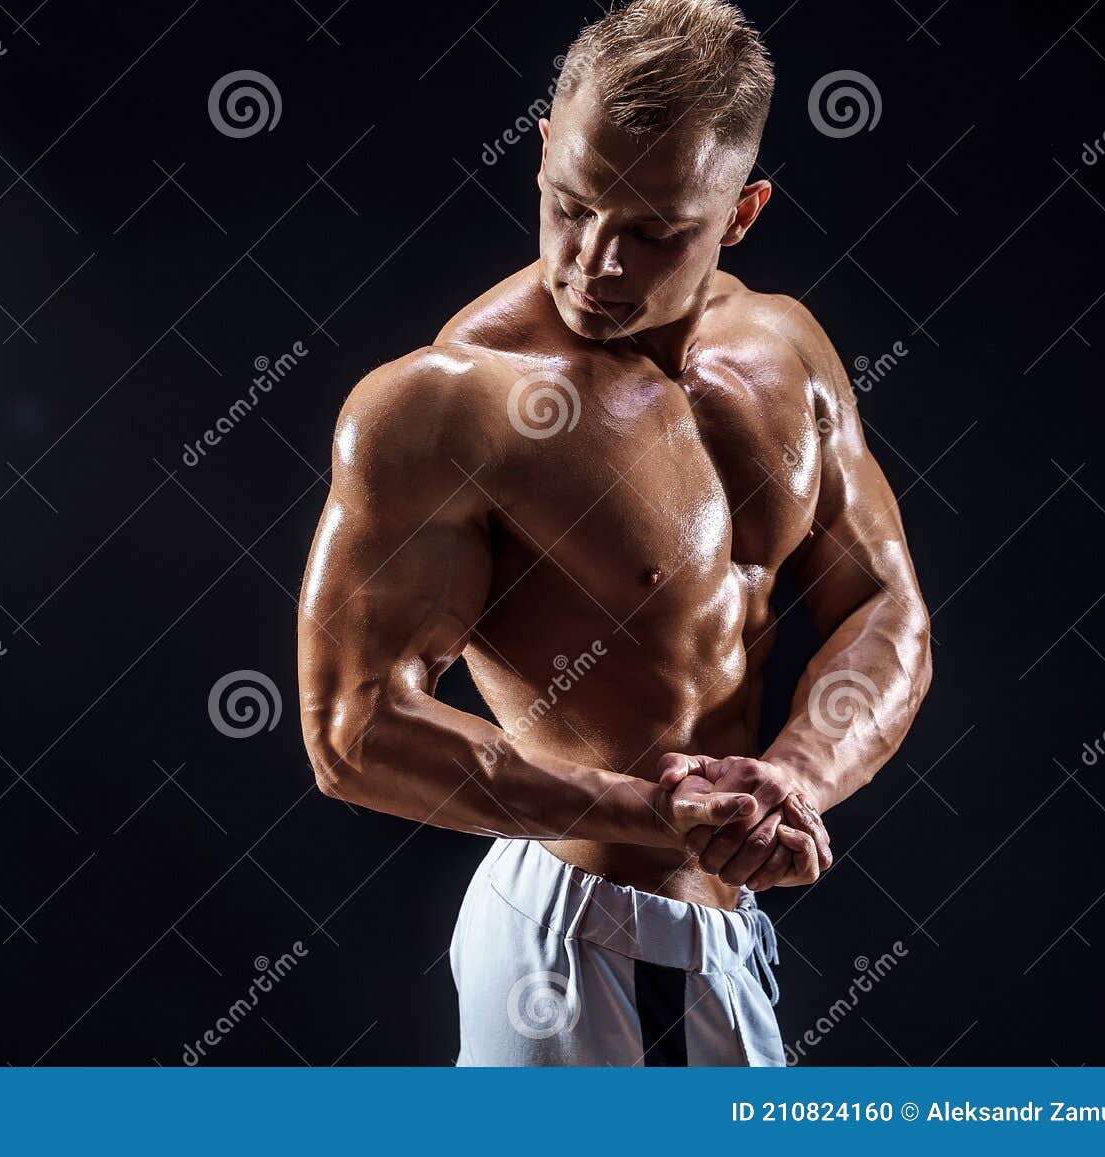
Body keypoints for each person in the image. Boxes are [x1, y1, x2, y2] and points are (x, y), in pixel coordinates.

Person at [296, 0, 932, 1066]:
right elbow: (352, 730)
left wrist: (796, 779)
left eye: (652, 230)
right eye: (569, 204)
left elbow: (880, 603)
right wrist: (656, 812)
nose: (593, 260)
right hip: (591, 933)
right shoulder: (450, 403)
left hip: (710, 936)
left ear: (740, 212)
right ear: (544, 147)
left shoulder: (783, 346)